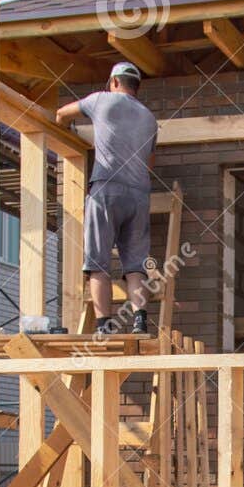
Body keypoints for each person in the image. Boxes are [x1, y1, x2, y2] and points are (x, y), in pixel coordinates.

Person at [55, 62, 158, 335]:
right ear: (137, 87)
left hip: (107, 189)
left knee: (98, 262)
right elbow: (150, 161)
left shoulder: (100, 100)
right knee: (136, 264)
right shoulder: (149, 118)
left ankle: (104, 327)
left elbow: (61, 114)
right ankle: (140, 321)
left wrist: (63, 129)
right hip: (138, 195)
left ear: (113, 81)